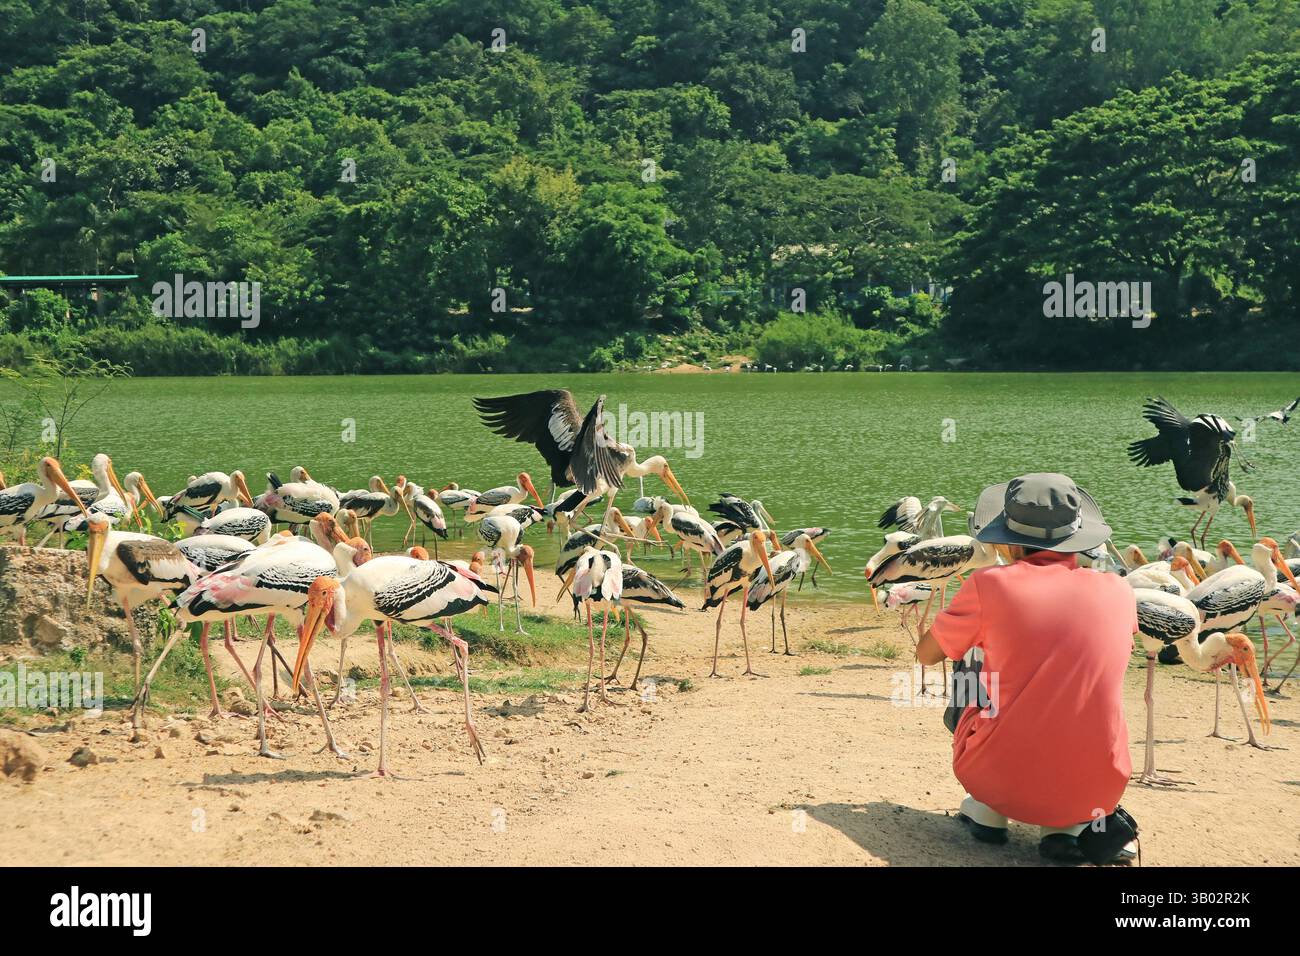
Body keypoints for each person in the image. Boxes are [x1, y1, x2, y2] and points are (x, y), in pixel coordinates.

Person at [915, 473, 1138, 863]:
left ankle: (988, 810)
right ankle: (1064, 824)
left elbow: (927, 655)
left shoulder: (989, 585)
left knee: (971, 657)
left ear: (1009, 536)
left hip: (997, 779)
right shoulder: (1120, 589)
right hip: (1101, 787)